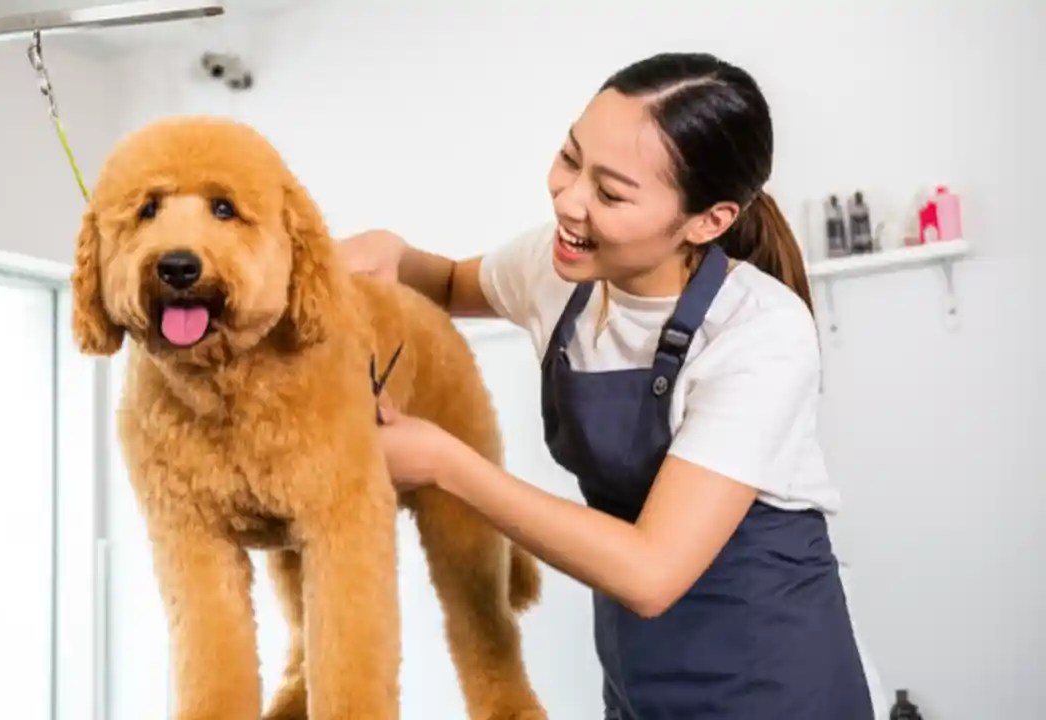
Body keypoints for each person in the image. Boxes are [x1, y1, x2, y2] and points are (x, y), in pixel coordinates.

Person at [339, 52, 883, 719]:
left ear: (707, 220)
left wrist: (446, 465)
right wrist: (396, 255)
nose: (569, 201)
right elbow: (451, 282)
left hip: (775, 682)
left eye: (612, 192)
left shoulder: (759, 331)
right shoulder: (557, 268)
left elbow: (652, 573)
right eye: (571, 158)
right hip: (641, 678)